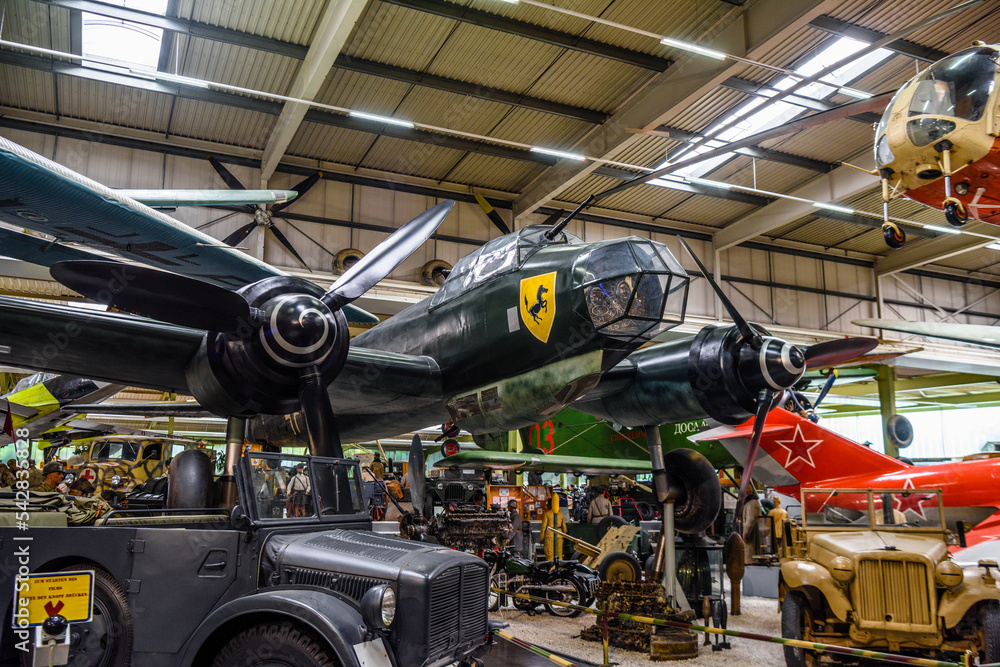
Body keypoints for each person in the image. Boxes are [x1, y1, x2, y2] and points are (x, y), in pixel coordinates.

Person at [540, 496, 567, 561]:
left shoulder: (547, 514)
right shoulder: (561, 514)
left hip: (549, 536)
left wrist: (541, 538)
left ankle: (552, 569)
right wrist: (563, 535)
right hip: (559, 535)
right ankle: (560, 568)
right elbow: (564, 529)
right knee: (559, 555)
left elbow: (543, 528)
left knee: (550, 555)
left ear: (550, 505)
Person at [742, 491, 762, 564]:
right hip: (755, 533)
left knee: (748, 558)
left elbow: (750, 520)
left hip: (750, 536)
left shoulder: (750, 504)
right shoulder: (755, 502)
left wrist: (745, 534)